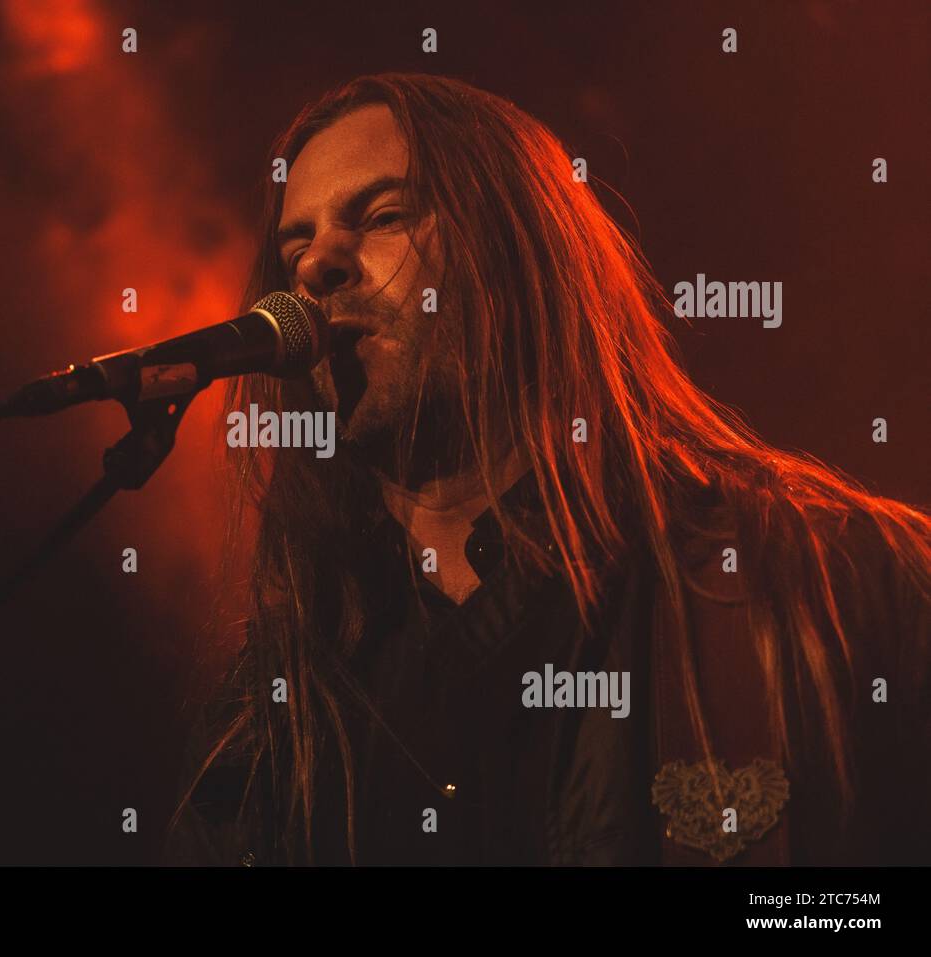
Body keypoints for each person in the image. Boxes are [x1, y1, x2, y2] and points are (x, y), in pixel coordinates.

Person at [162, 73, 931, 866]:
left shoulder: (843, 583)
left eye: (384, 215)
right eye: (298, 247)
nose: (319, 263)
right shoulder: (268, 721)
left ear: (521, 250)